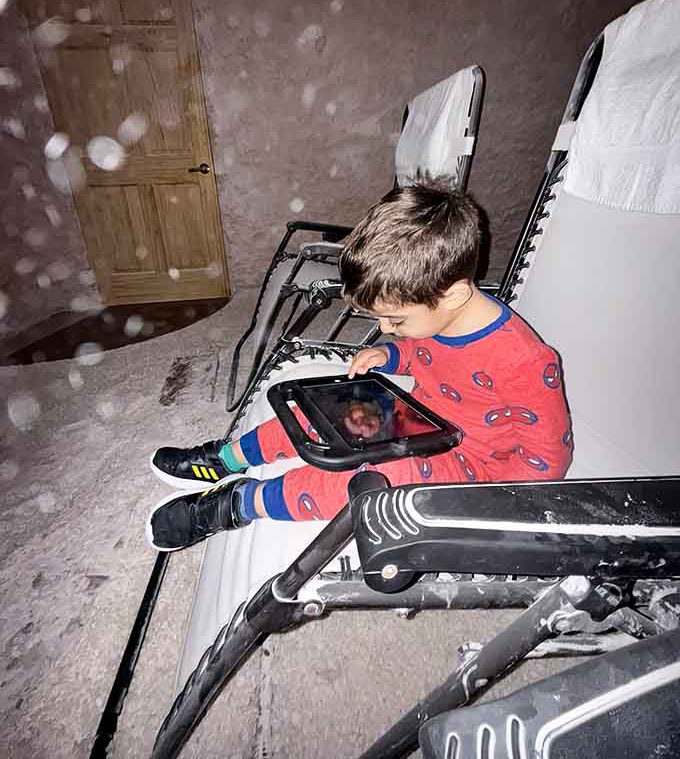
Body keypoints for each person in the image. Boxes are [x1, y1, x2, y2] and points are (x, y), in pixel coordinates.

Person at [145, 178, 573, 551]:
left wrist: (483, 502)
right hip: (418, 420)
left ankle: (240, 502)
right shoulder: (440, 316)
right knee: (329, 414)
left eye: (396, 320)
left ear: (455, 295)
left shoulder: (525, 362)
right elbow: (427, 354)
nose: (387, 327)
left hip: (470, 464)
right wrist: (391, 355)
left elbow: (549, 459)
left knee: (369, 481)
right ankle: (226, 458)